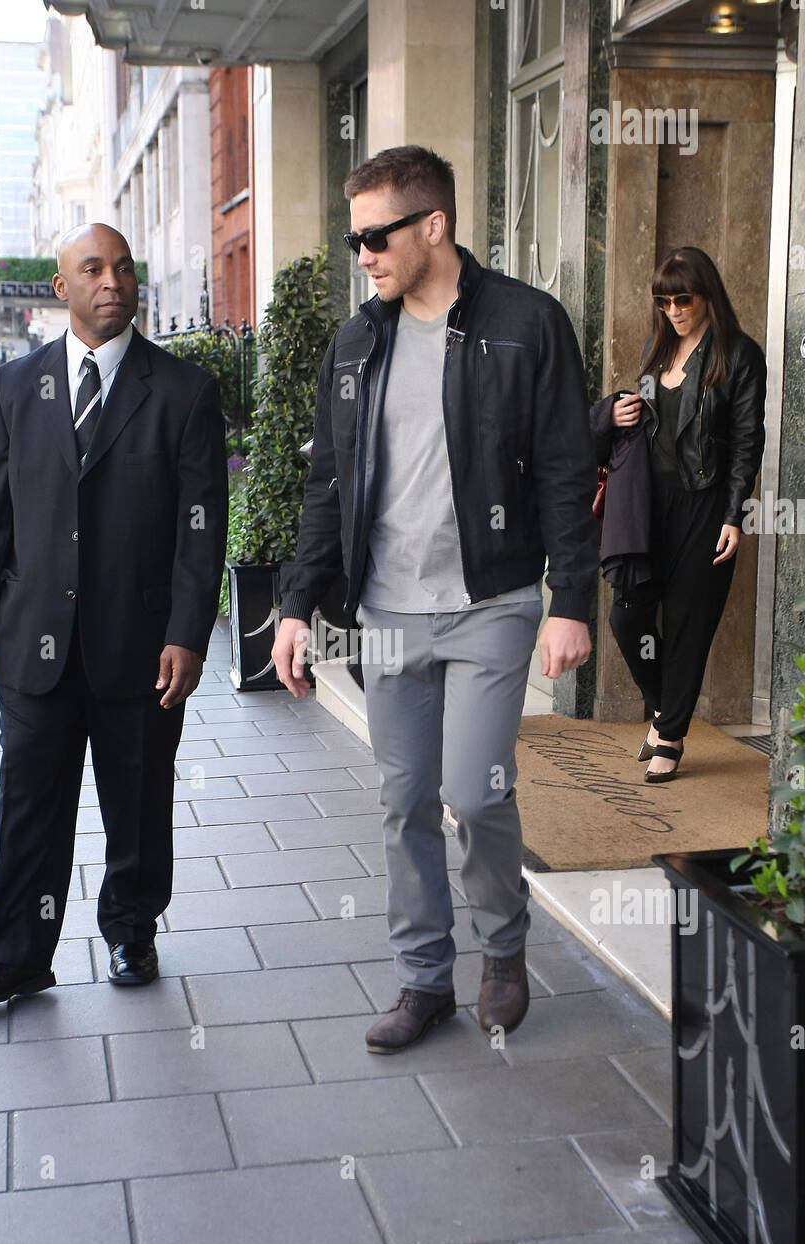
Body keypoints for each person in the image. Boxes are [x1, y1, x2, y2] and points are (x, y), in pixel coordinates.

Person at [271, 146, 600, 1053]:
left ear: (434, 226)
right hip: (385, 610)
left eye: (376, 235)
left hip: (491, 603)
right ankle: (423, 980)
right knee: (404, 796)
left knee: (476, 789)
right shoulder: (357, 341)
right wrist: (297, 605)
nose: (363, 254)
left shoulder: (526, 324)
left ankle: (502, 945)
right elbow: (327, 486)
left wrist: (570, 599)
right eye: (355, 238)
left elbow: (571, 473)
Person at [0, 223, 228, 1007]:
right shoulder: (14, 387)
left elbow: (202, 529)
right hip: (35, 645)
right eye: (93, 269)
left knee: (136, 802)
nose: (113, 282)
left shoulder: (184, 391)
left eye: (125, 268)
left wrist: (187, 634)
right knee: (29, 804)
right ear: (61, 288)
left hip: (140, 646)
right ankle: (19, 958)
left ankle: (132, 933)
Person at [592, 246, 767, 784]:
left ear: (707, 293)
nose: (673, 309)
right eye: (663, 300)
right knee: (628, 616)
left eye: (683, 298)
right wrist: (619, 410)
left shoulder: (738, 355)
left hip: (706, 503)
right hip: (649, 504)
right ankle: (671, 710)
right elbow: (647, 428)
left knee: (689, 623)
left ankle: (668, 733)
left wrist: (735, 516)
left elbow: (745, 442)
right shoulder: (655, 347)